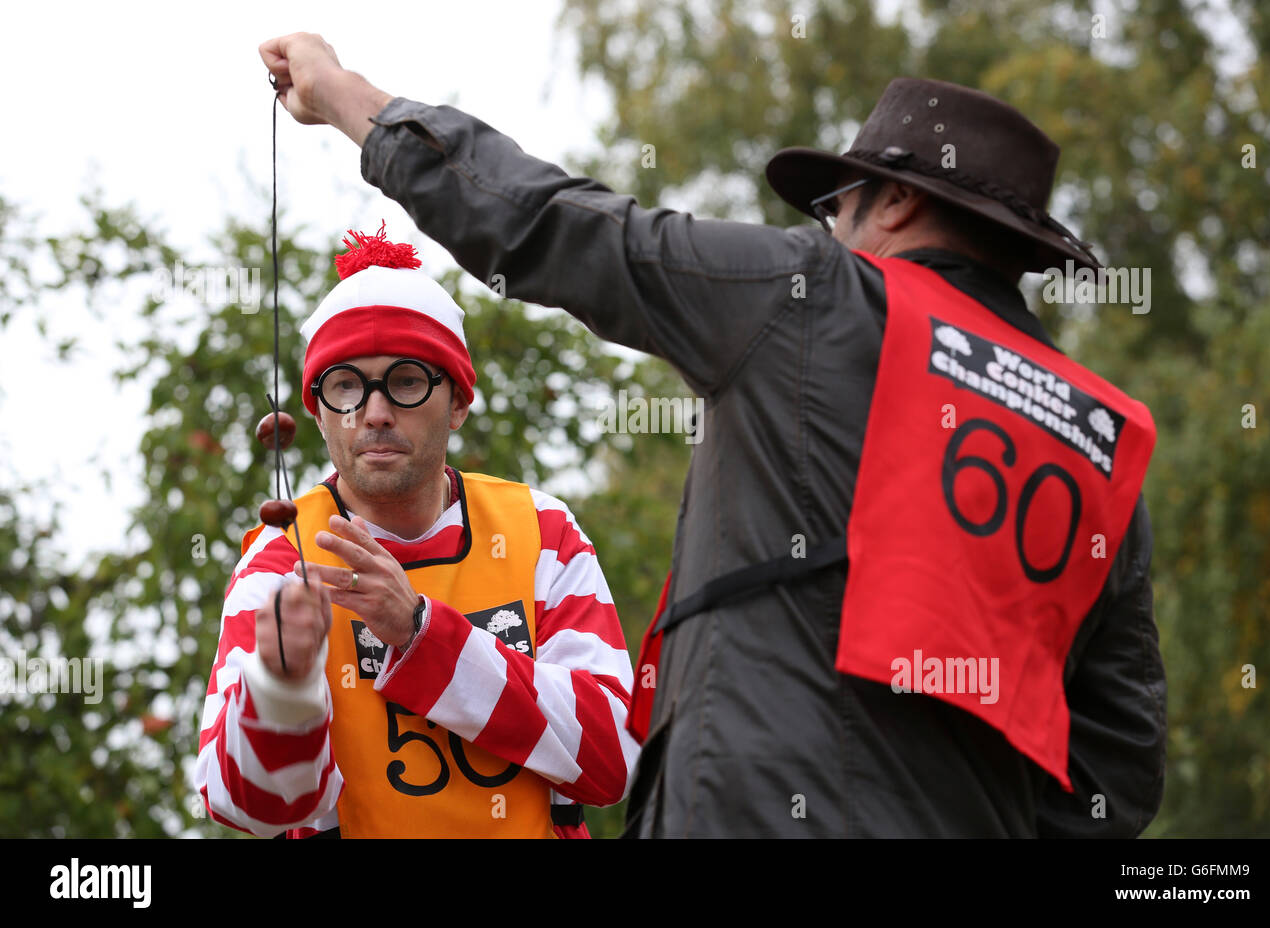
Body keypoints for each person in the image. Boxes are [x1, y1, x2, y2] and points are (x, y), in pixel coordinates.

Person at [256, 33, 1166, 838]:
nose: (829, 229)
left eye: (835, 206)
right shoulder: (1100, 437)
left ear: (889, 203)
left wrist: (347, 98)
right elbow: (1115, 774)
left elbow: (549, 223)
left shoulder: (819, 300)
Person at [194, 225, 639, 838]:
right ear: (319, 413)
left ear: (457, 402)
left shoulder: (541, 529)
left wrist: (423, 635)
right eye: (346, 385)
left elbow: (616, 758)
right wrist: (281, 688)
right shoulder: (280, 559)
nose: (374, 412)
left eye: (405, 380)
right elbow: (248, 810)